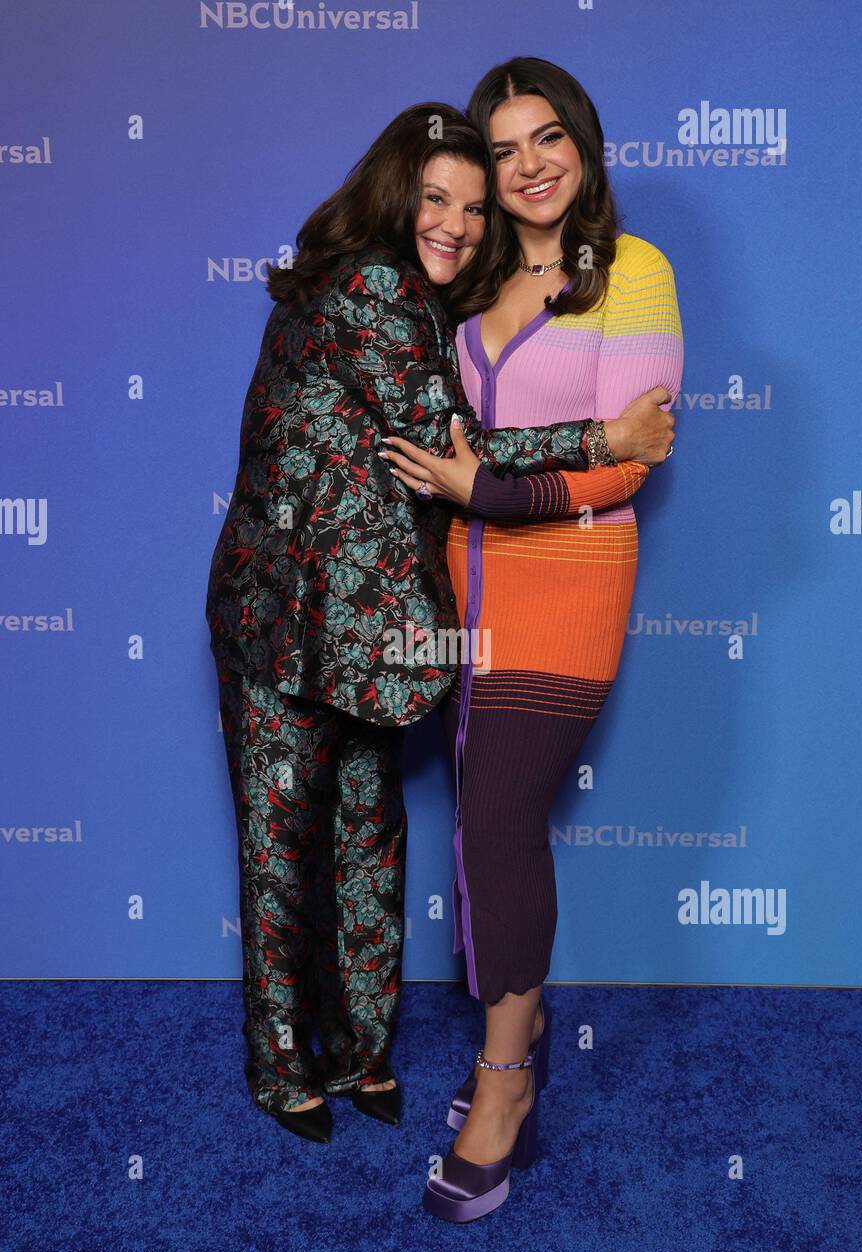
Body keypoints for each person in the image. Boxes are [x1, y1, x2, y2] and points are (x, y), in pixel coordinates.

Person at [205, 101, 671, 1146]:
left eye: (473, 204)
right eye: (438, 197)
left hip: (376, 622)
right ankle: (285, 1066)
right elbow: (453, 441)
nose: (458, 222)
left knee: (370, 831)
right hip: (285, 617)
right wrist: (609, 431)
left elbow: (449, 456)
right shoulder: (371, 287)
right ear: (391, 190)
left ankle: (365, 1053)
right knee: (285, 850)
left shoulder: (425, 295)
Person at [381, 58, 683, 1220]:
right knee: (473, 817)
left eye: (547, 137)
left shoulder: (636, 274)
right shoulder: (469, 282)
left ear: (584, 142)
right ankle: (528, 1027)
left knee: (501, 818)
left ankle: (505, 1081)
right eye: (503, 151)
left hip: (568, 585)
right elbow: (438, 438)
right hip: (458, 596)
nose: (529, 166)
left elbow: (631, 457)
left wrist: (491, 491)